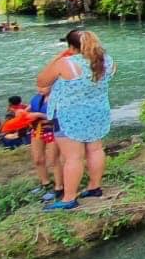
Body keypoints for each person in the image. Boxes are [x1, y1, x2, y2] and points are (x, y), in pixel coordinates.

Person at [36, 30, 114, 210]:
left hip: (68, 115)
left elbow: (41, 81)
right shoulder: (107, 61)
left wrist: (58, 57)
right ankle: (94, 187)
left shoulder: (66, 63)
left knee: (73, 157)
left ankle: (69, 198)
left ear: (71, 46)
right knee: (95, 149)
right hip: (97, 111)